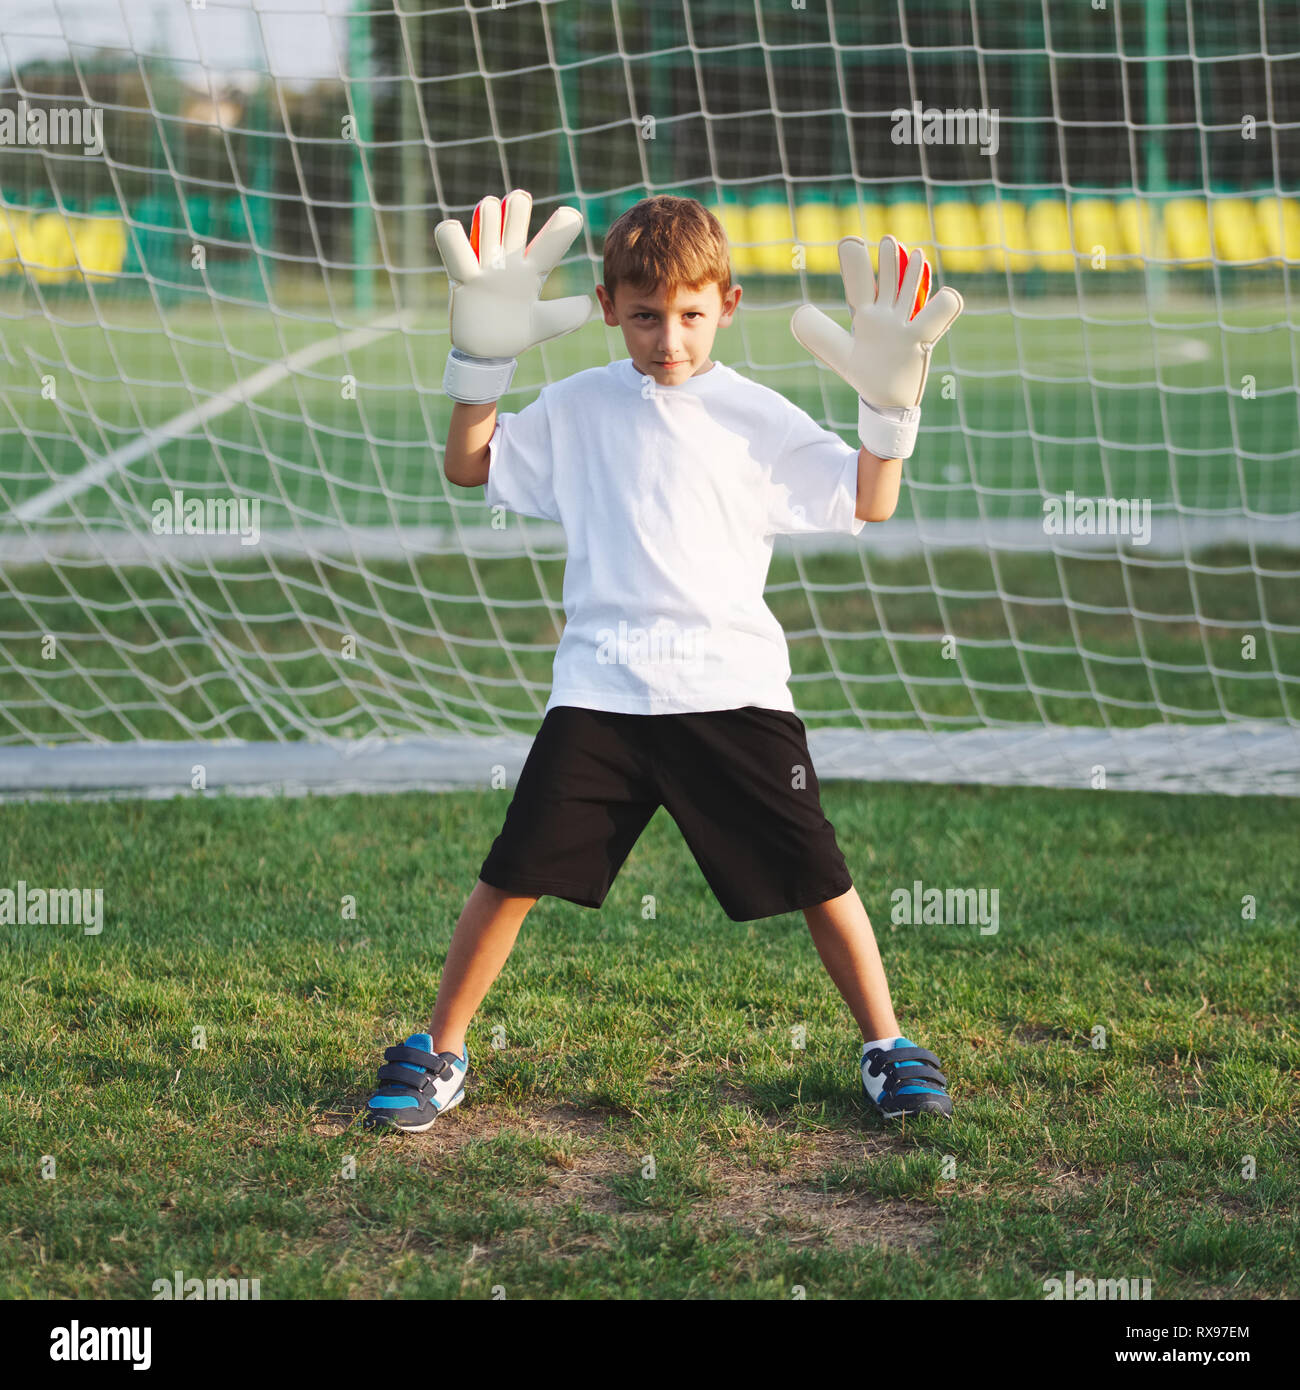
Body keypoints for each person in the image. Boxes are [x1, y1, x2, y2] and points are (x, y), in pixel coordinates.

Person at [363, 191, 963, 1133]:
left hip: (732, 692)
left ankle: (888, 1047)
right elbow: (470, 464)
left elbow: (868, 499)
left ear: (726, 303)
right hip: (600, 692)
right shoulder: (579, 407)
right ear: (607, 308)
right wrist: (479, 361)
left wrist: (889, 410)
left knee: (819, 874)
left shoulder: (756, 417)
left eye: (689, 314)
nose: (668, 338)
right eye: (645, 315)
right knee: (511, 871)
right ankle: (440, 1050)